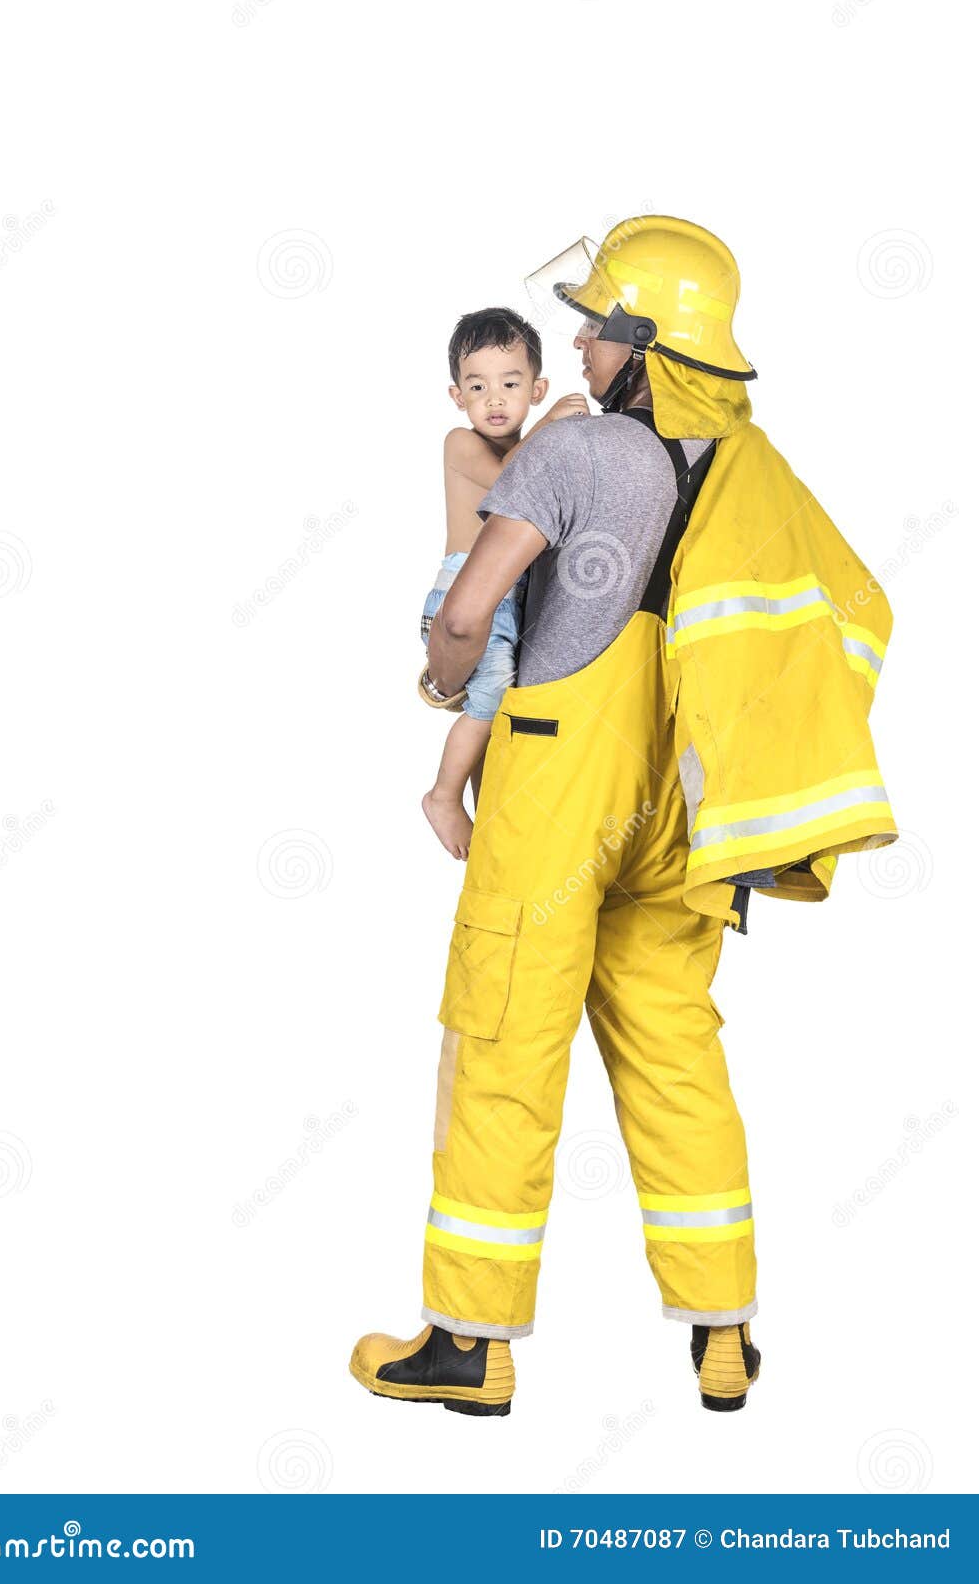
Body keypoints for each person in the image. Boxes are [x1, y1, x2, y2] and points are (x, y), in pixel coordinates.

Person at [351, 216, 897, 1417]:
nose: (582, 343)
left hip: (557, 786)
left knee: (504, 1040)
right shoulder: (752, 473)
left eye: (599, 327)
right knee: (675, 1054)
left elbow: (474, 605)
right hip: (684, 803)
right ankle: (724, 1330)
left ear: (643, 345)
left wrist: (445, 673)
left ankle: (467, 1342)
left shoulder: (580, 454)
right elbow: (851, 611)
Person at [419, 308, 587, 858]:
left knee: (498, 712)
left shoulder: (525, 441)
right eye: (477, 386)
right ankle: (442, 797)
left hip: (504, 599)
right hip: (462, 593)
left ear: (535, 387)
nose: (494, 398)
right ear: (456, 395)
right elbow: (513, 478)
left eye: (510, 384)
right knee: (489, 700)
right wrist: (550, 426)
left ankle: (484, 804)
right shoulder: (458, 445)